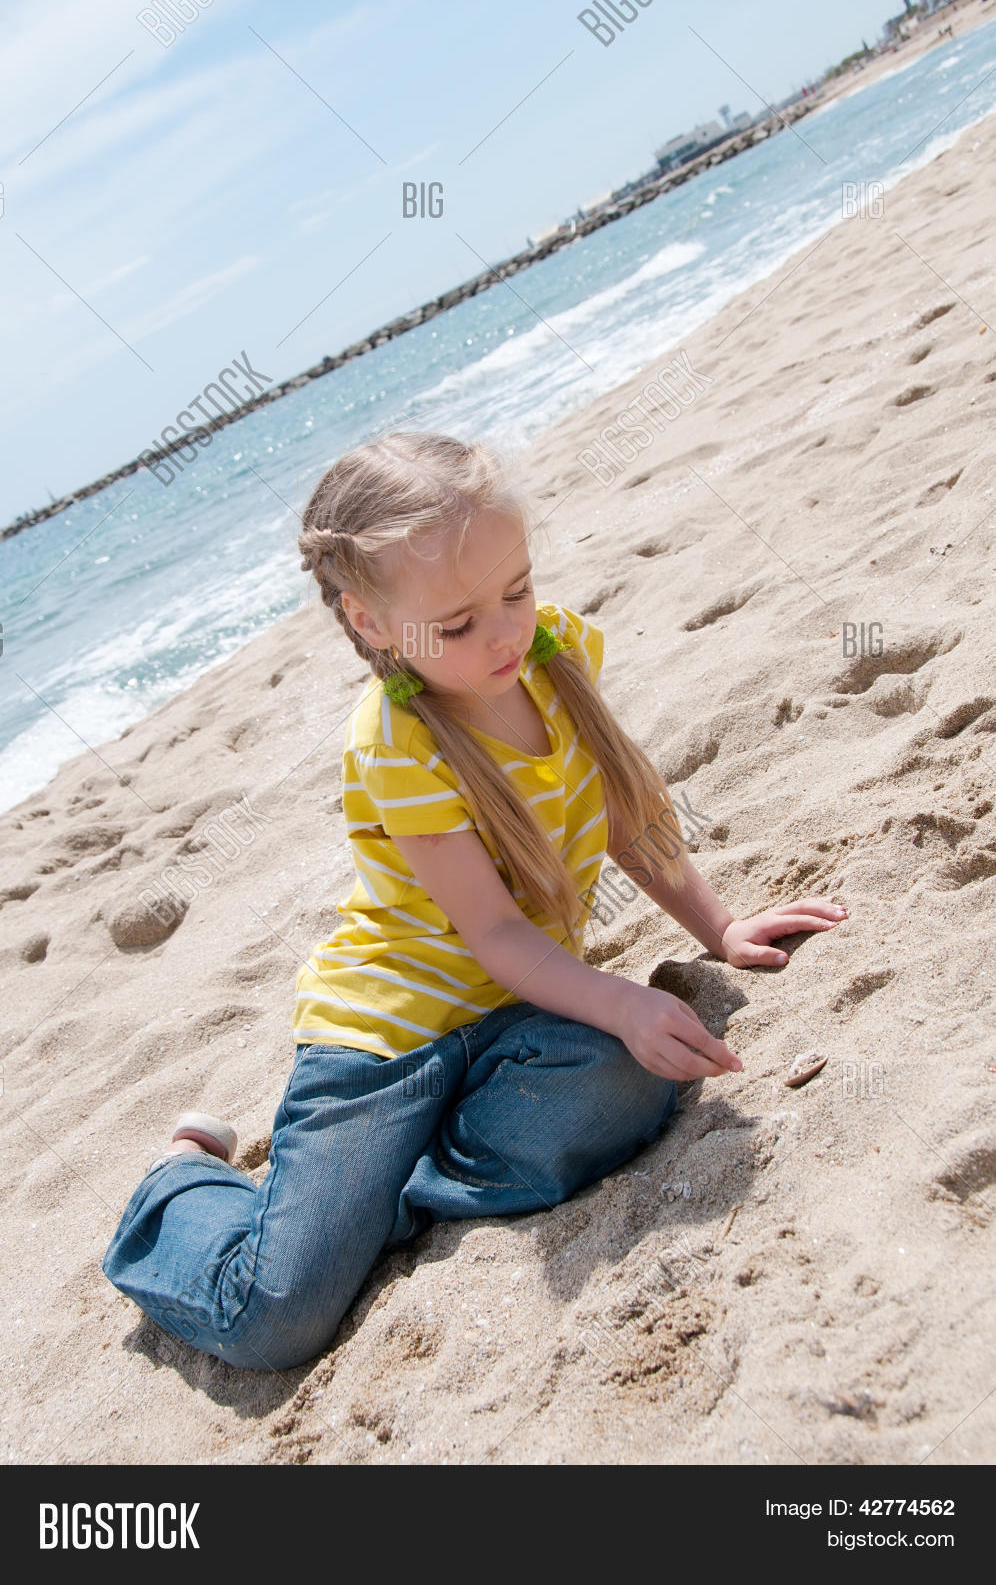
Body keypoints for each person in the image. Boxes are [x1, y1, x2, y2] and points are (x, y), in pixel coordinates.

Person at [102, 431, 847, 1371]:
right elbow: (494, 932)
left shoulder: (553, 652)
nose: (504, 634)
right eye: (455, 625)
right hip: (386, 1041)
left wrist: (721, 927)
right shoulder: (397, 742)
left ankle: (385, 1196)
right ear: (370, 623)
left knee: (627, 1082)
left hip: (515, 1018)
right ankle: (182, 1183)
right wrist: (618, 997)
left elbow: (628, 815)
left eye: (517, 589)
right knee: (274, 1320)